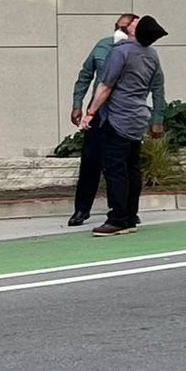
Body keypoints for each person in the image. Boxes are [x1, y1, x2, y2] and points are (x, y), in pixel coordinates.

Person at [81, 15, 169, 236]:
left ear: (134, 32)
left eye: (135, 24)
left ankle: (117, 219)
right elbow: (155, 85)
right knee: (132, 168)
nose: (131, 23)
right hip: (138, 117)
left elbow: (106, 86)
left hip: (117, 118)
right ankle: (130, 216)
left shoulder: (121, 52)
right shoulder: (151, 55)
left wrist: (90, 113)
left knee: (115, 169)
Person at [67, 13, 145, 226]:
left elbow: (151, 84)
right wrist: (77, 105)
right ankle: (81, 210)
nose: (119, 30)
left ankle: (128, 211)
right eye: (117, 26)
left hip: (125, 115)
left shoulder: (141, 53)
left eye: (124, 27)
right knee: (90, 161)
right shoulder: (102, 46)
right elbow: (85, 75)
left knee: (128, 166)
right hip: (99, 113)